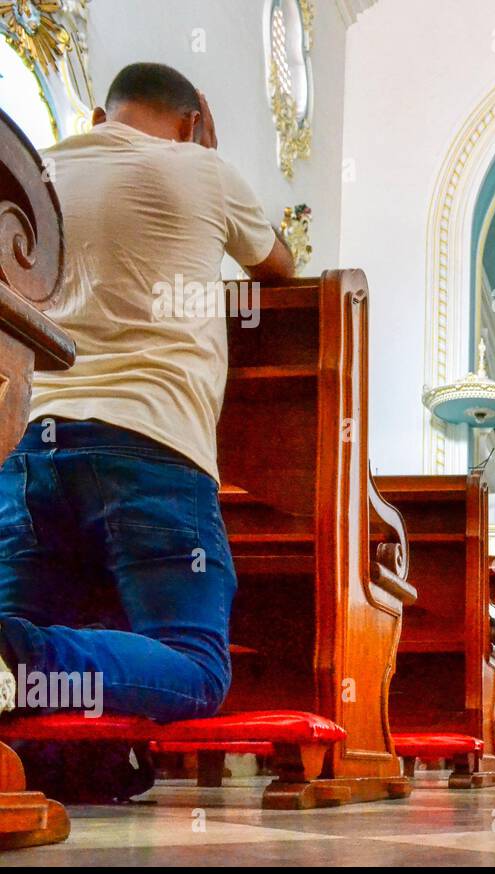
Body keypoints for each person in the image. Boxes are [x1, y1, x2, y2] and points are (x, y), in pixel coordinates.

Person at [0, 62, 293, 755]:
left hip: (25, 450)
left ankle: (16, 662)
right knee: (195, 667)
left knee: (21, 617)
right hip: (152, 449)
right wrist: (204, 161)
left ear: (99, 119)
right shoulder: (201, 168)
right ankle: (18, 663)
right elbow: (278, 269)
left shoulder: (34, 173)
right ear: (191, 125)